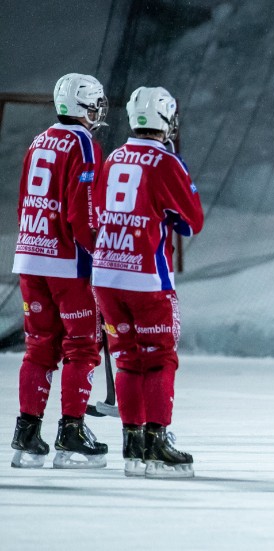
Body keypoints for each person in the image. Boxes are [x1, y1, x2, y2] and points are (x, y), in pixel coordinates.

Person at [92, 86, 204, 478]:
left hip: (105, 274)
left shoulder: (112, 158)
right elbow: (191, 223)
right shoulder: (165, 161)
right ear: (165, 119)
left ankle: (133, 440)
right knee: (159, 359)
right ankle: (157, 441)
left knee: (126, 358)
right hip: (146, 277)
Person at [10, 73, 109, 469]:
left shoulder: (38, 141)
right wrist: (96, 252)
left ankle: (26, 434)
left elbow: (23, 202)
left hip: (30, 256)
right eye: (97, 102)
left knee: (39, 346)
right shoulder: (83, 143)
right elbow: (80, 212)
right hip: (67, 262)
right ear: (84, 106)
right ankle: (71, 433)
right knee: (82, 346)